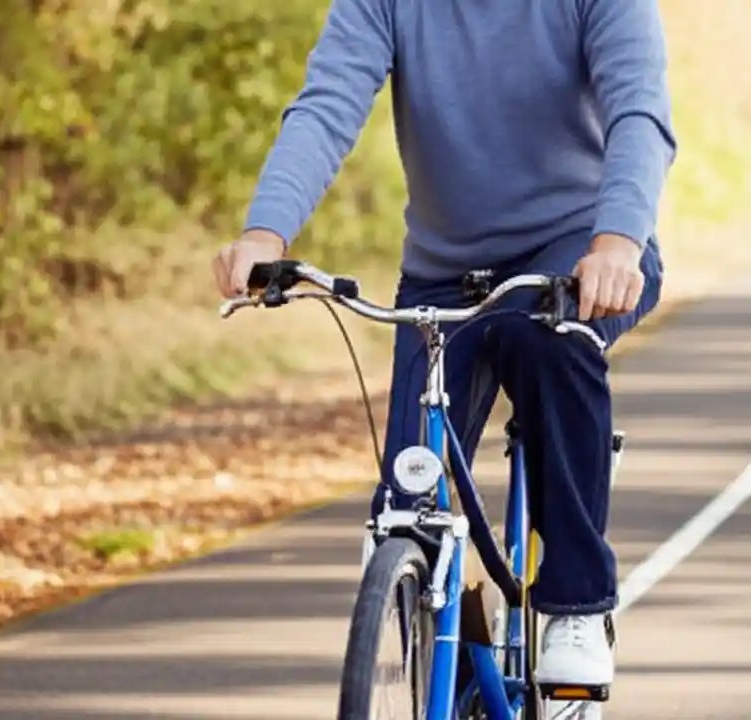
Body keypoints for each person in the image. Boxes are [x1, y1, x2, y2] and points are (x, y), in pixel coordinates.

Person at [211, 0, 675, 694]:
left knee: (547, 340)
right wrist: (265, 233)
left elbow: (639, 110)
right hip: (443, 270)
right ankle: (452, 665)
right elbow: (326, 106)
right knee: (405, 497)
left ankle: (577, 607)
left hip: (578, 252)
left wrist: (617, 241)